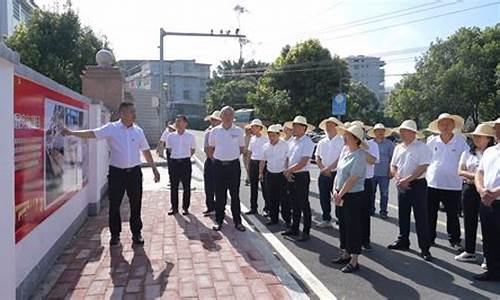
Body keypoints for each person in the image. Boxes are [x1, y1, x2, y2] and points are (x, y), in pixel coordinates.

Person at [62, 102, 160, 246]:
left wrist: (154, 168)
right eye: (131, 112)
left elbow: (145, 150)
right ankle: (115, 235)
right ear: (122, 114)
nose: (134, 114)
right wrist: (71, 133)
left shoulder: (138, 131)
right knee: (114, 204)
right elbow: (92, 133)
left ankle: (136, 233)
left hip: (134, 173)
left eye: (134, 111)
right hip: (117, 173)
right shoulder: (111, 128)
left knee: (136, 204)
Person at [387, 120, 433, 261]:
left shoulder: (422, 147)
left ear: (413, 133)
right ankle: (403, 240)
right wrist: (398, 178)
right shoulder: (398, 147)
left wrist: (408, 179)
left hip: (417, 184)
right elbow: (393, 166)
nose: (402, 133)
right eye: (401, 130)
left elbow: (423, 167)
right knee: (403, 214)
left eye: (405, 130)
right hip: (401, 184)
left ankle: (424, 248)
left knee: (421, 216)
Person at [426, 113, 469, 251]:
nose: (445, 126)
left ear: (453, 125)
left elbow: (466, 160)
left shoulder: (460, 142)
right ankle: (429, 237)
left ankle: (455, 239)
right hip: (433, 182)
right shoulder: (431, 141)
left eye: (448, 124)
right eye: (442, 124)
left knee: (452, 214)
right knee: (430, 212)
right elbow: (426, 160)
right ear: (438, 126)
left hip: (453, 184)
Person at [455, 124, 496, 263]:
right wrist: (477, 176)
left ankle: (488, 256)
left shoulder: (493, 153)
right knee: (469, 220)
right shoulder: (468, 152)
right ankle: (469, 250)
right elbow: (460, 171)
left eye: (480, 136)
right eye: (475, 136)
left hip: (487, 191)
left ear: (488, 138)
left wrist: (475, 176)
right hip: (469, 189)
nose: (476, 139)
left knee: (488, 224)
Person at [331, 125, 368, 273]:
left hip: (353, 195)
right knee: (344, 225)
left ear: (355, 139)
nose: (344, 137)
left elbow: (352, 179)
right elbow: (339, 173)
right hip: (340, 193)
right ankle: (346, 253)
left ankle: (354, 260)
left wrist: (340, 194)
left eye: (347, 135)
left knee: (353, 227)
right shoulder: (345, 151)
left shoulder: (360, 155)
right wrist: (335, 190)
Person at [207, 106, 246, 232]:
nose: (228, 116)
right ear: (221, 117)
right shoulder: (215, 131)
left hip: (233, 166)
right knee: (220, 195)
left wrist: (230, 156)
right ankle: (219, 221)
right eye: (225, 114)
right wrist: (219, 158)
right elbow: (210, 148)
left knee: (235, 195)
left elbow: (241, 148)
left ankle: (238, 222)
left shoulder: (239, 131)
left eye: (230, 114)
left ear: (233, 116)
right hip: (218, 166)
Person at [473, 117, 500, 281]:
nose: (497, 130)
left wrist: (495, 192)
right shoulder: (490, 151)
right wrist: (481, 190)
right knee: (489, 237)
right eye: (496, 127)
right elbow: (479, 172)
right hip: (486, 201)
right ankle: (493, 270)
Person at [282, 116, 315, 242]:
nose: (294, 128)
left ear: (304, 128)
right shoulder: (291, 141)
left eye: (297, 126)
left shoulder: (308, 142)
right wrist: (287, 171)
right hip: (290, 174)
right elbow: (287, 158)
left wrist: (288, 171)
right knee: (293, 203)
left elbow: (304, 161)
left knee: (303, 203)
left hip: (301, 175)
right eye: (293, 125)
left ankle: (306, 231)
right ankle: (294, 228)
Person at [315, 117, 344, 228]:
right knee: (323, 196)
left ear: (336, 127)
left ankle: (340, 220)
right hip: (323, 173)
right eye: (327, 126)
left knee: (338, 197)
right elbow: (317, 157)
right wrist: (323, 168)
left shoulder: (341, 140)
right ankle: (326, 219)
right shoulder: (322, 141)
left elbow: (341, 157)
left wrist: (330, 168)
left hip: (337, 173)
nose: (328, 128)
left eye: (330, 125)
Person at [259, 124, 291, 226]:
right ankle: (274, 219)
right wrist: (260, 173)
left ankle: (287, 220)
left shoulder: (285, 145)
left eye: (273, 135)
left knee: (284, 199)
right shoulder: (265, 146)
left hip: (282, 175)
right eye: (269, 135)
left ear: (278, 135)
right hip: (270, 174)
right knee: (271, 197)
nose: (271, 137)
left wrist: (287, 171)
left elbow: (288, 159)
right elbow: (263, 161)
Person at [165, 115, 196, 216]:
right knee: (174, 186)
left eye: (180, 121)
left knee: (186, 186)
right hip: (174, 162)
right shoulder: (170, 136)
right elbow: (169, 149)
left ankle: (185, 207)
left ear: (185, 123)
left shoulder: (190, 136)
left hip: (185, 162)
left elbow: (192, 150)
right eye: (176, 121)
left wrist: (184, 156)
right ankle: (174, 207)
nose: (177, 124)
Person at [368, 123, 395, 219]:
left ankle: (383, 211)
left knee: (384, 194)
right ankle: (371, 209)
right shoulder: (369, 143)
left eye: (382, 130)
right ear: (374, 132)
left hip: (384, 173)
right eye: (378, 130)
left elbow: (393, 158)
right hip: (372, 173)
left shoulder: (390, 144)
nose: (380, 132)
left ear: (385, 132)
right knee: (371, 193)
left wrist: (391, 171)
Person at [246, 119, 269, 216]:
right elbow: (249, 152)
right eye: (252, 127)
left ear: (260, 128)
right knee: (253, 187)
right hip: (253, 162)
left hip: (262, 163)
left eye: (255, 126)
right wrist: (248, 164)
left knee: (265, 187)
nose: (253, 128)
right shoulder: (252, 138)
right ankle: (253, 207)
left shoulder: (265, 139)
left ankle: (267, 208)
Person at [361, 127, 379, 251]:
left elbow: (373, 161)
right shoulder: (346, 145)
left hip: (366, 181)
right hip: (351, 181)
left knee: (364, 213)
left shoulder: (372, 145)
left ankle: (365, 240)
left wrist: (361, 149)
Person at [202, 110, 221, 216]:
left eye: (216, 120)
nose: (213, 122)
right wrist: (212, 158)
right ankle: (210, 206)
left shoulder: (223, 132)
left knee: (219, 187)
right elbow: (207, 148)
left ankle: (219, 207)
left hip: (220, 161)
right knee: (209, 186)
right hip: (211, 161)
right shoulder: (208, 132)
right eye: (213, 120)